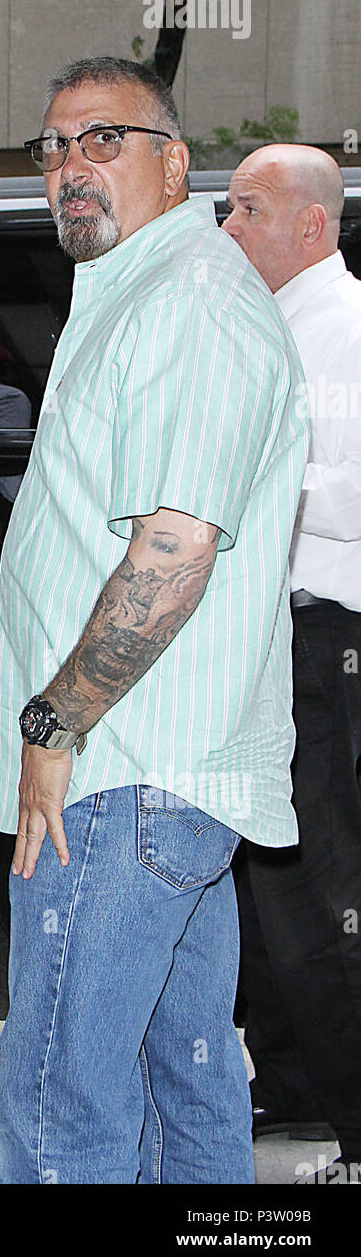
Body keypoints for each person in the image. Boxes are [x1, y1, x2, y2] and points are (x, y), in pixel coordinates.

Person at [0, 56, 309, 1184]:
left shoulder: (189, 302)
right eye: (53, 147)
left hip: (121, 774)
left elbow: (174, 548)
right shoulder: (137, 290)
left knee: (57, 1099)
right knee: (182, 1077)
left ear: (173, 164)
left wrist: (54, 723)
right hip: (154, 777)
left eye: (102, 139)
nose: (70, 166)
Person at [224, 145, 361, 1185]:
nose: (228, 228)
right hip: (266, 639)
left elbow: (347, 498)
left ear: (309, 225)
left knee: (323, 901)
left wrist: (230, 480)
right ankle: (293, 1080)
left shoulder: (344, 328)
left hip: (323, 643)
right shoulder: (270, 322)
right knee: (263, 886)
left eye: (246, 209)